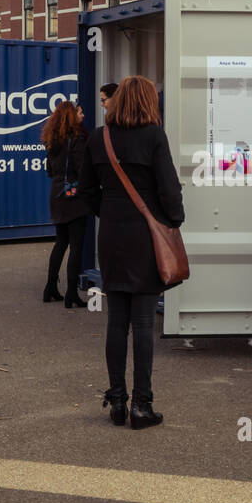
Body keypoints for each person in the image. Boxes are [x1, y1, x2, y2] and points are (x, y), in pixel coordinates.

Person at [78, 75, 185, 429]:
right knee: (142, 323)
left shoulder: (99, 137)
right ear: (148, 103)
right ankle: (142, 404)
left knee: (115, 320)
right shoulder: (154, 136)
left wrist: (109, 214)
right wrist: (173, 220)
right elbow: (169, 188)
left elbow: (87, 191)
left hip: (111, 235)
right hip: (146, 236)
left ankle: (117, 401)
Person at [43, 99, 90, 307]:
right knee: (76, 246)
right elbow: (82, 169)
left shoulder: (52, 139)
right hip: (74, 197)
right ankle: (72, 293)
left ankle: (50, 288)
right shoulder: (78, 138)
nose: (83, 116)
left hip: (56, 194)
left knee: (60, 243)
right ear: (72, 116)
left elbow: (50, 171)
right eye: (80, 112)